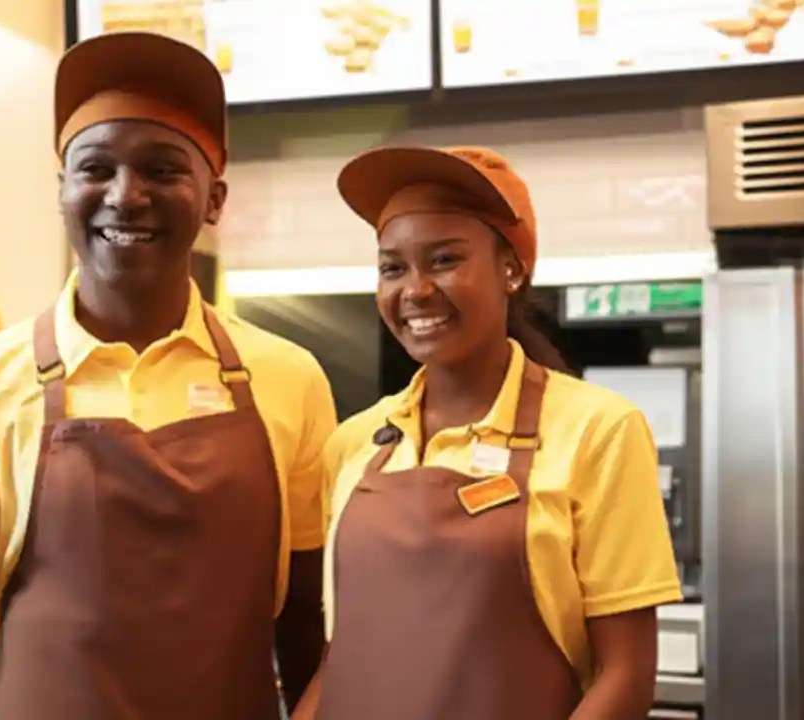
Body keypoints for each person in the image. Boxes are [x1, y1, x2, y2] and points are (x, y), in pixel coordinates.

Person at [0, 31, 337, 720]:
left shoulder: (289, 378)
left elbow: (304, 624)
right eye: (95, 168)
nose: (126, 196)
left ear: (213, 199)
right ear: (61, 190)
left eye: (161, 170)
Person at [291, 146, 683, 720]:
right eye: (392, 267)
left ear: (512, 268)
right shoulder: (354, 443)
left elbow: (624, 675)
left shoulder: (597, 430)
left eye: (445, 260)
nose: (416, 290)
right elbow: (339, 658)